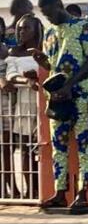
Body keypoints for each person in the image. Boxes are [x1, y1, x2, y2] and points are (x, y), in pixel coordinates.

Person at [33, 0, 88, 210]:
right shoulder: (49, 32)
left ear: (58, 5)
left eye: (49, 12)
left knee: (84, 145)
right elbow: (52, 66)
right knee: (58, 146)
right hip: (56, 99)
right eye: (44, 15)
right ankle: (60, 192)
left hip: (80, 96)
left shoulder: (84, 27)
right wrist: (42, 62)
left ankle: (82, 194)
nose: (48, 18)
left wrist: (70, 85)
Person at [2, 15, 43, 200]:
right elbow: (11, 75)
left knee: (42, 150)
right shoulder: (14, 52)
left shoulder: (44, 50)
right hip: (24, 104)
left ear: (36, 30)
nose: (21, 31)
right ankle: (31, 189)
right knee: (25, 149)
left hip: (43, 103)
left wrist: (38, 76)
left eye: (26, 28)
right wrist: (26, 80)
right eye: (19, 28)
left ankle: (44, 188)